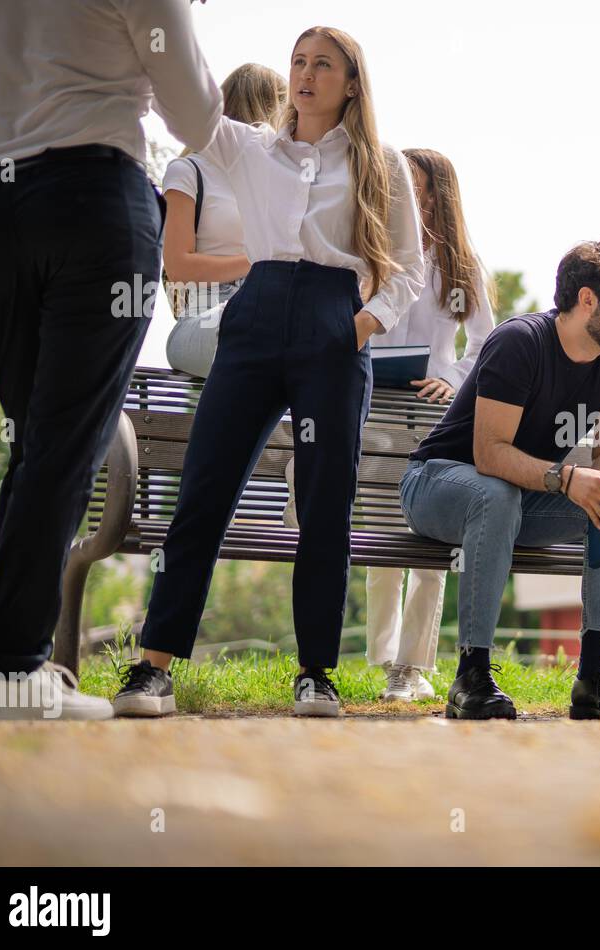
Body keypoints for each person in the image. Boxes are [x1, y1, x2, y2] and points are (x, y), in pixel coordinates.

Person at [111, 26, 425, 719]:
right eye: (299, 63)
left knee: (324, 503)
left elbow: (407, 265)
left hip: (333, 325)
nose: (307, 75)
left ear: (351, 83)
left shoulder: (383, 163)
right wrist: (156, 28)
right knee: (205, 489)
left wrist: (362, 324)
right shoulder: (247, 148)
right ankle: (154, 667)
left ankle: (316, 672)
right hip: (252, 321)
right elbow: (190, 107)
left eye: (324, 65)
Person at [0, 0, 222, 720]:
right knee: (64, 443)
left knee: (39, 443)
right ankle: (12, 668)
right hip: (94, 199)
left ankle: (12, 660)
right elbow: (195, 117)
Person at [400, 240, 600, 720]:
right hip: (437, 485)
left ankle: (594, 677)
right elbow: (489, 454)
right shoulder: (520, 342)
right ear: (588, 299)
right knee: (495, 493)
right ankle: (472, 676)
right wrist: (567, 479)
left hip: (522, 495)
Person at [364, 147, 496, 701]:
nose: (404, 200)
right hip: (377, 406)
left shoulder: (463, 265)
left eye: (415, 190)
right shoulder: (376, 253)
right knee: (379, 531)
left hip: (436, 415)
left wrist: (455, 377)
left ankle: (412, 666)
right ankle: (383, 656)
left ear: (438, 196)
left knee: (431, 539)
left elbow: (488, 340)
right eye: (398, 189)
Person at [163, 63, 287, 378]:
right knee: (252, 326)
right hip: (204, 318)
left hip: (268, 308)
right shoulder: (188, 171)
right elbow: (178, 267)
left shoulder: (282, 179)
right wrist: (258, 261)